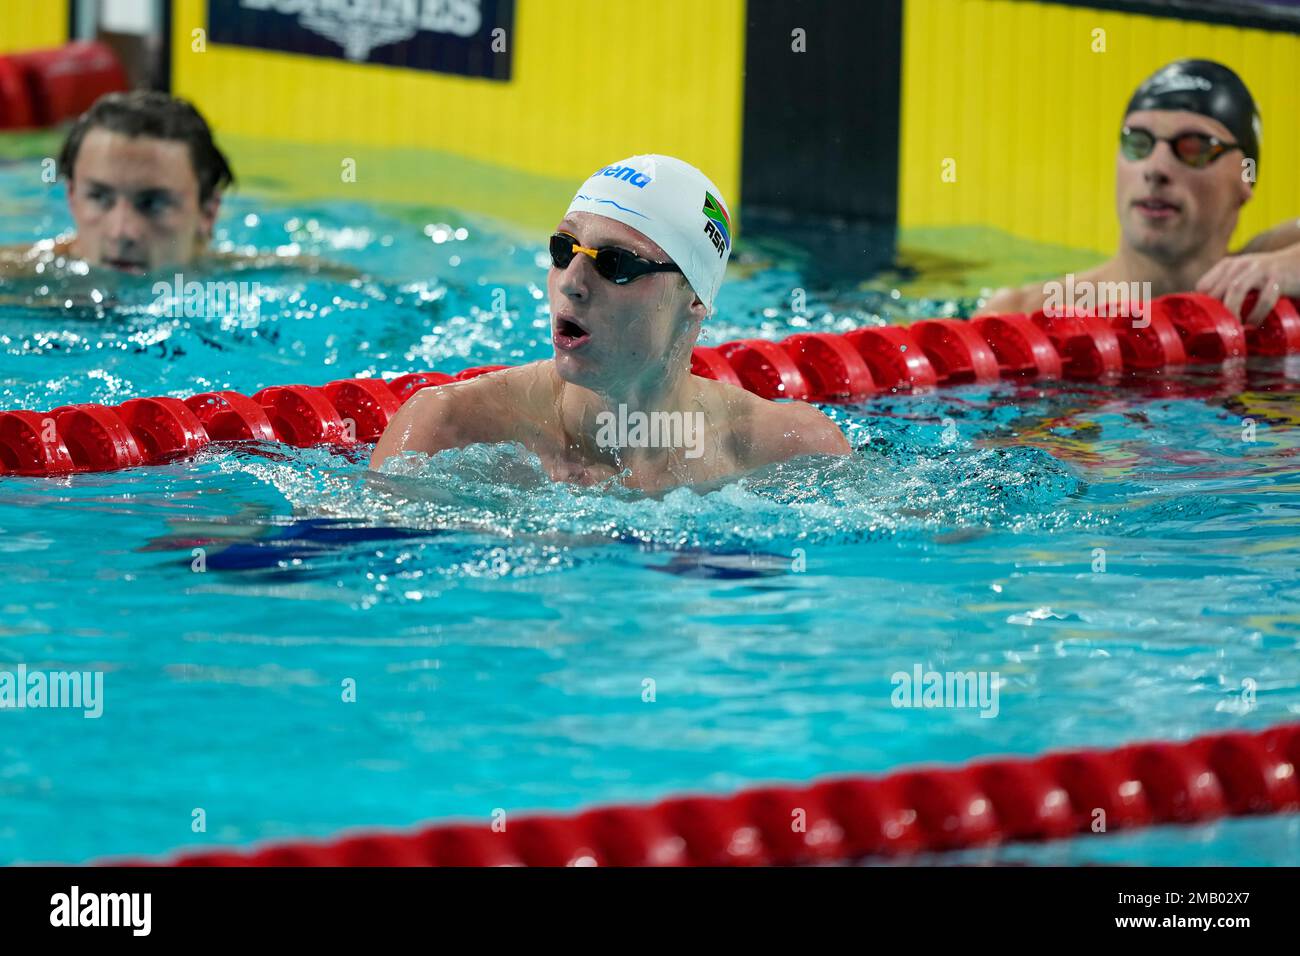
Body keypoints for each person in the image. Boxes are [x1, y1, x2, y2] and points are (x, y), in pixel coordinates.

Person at [371, 154, 850, 491]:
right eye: (564, 249)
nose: (572, 282)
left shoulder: (788, 448)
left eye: (616, 264)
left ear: (694, 301)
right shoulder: (449, 428)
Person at [980, 60, 1300, 327]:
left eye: (1194, 148)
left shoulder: (1271, 269)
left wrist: (1287, 267)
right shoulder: (1021, 313)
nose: (1155, 169)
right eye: (1139, 143)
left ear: (1247, 175)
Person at [1, 91, 233, 277]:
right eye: (99, 197)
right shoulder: (16, 279)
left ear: (208, 212)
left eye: (152, 203)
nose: (121, 232)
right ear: (72, 197)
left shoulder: (247, 285)